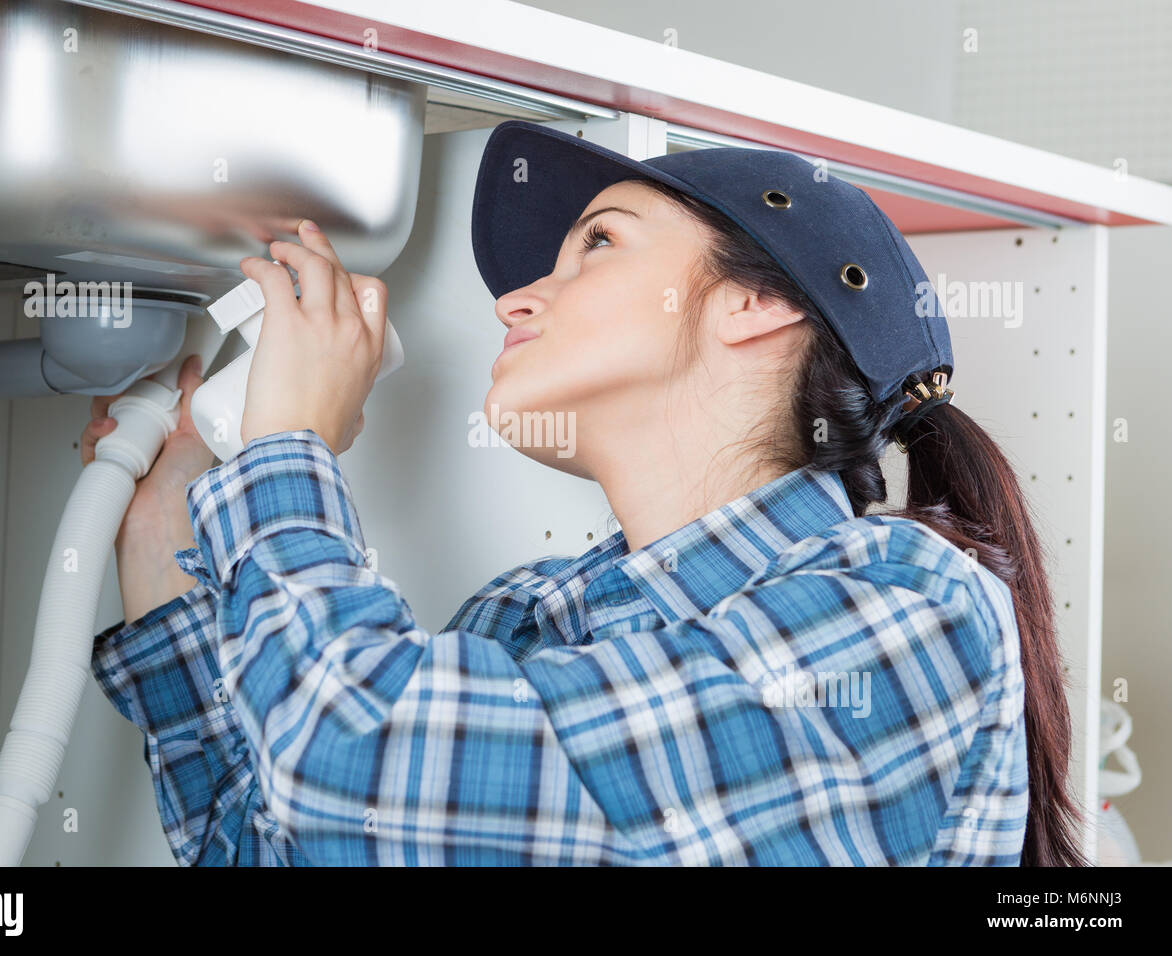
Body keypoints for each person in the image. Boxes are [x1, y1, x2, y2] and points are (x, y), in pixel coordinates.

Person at [82, 120, 1086, 866]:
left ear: (756, 304)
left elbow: (353, 758)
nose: (514, 300)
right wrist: (167, 514)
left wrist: (288, 446)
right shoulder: (531, 619)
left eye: (598, 242)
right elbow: (270, 845)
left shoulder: (902, 609)